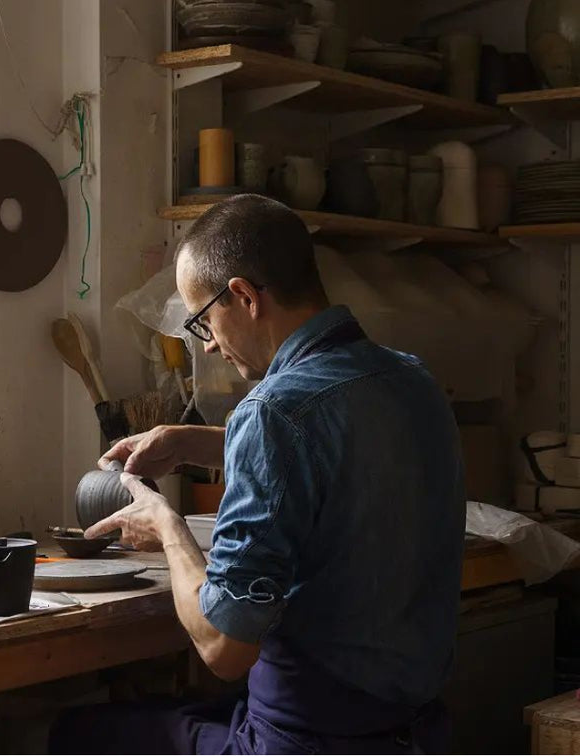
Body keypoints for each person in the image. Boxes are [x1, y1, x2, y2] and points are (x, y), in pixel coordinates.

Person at [49, 195, 466, 754]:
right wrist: (198, 443)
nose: (212, 345)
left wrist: (165, 524)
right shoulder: (411, 379)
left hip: (308, 740)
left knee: (81, 734)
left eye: (203, 321)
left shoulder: (272, 410)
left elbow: (224, 649)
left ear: (243, 297)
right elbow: (341, 455)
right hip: (411, 731)